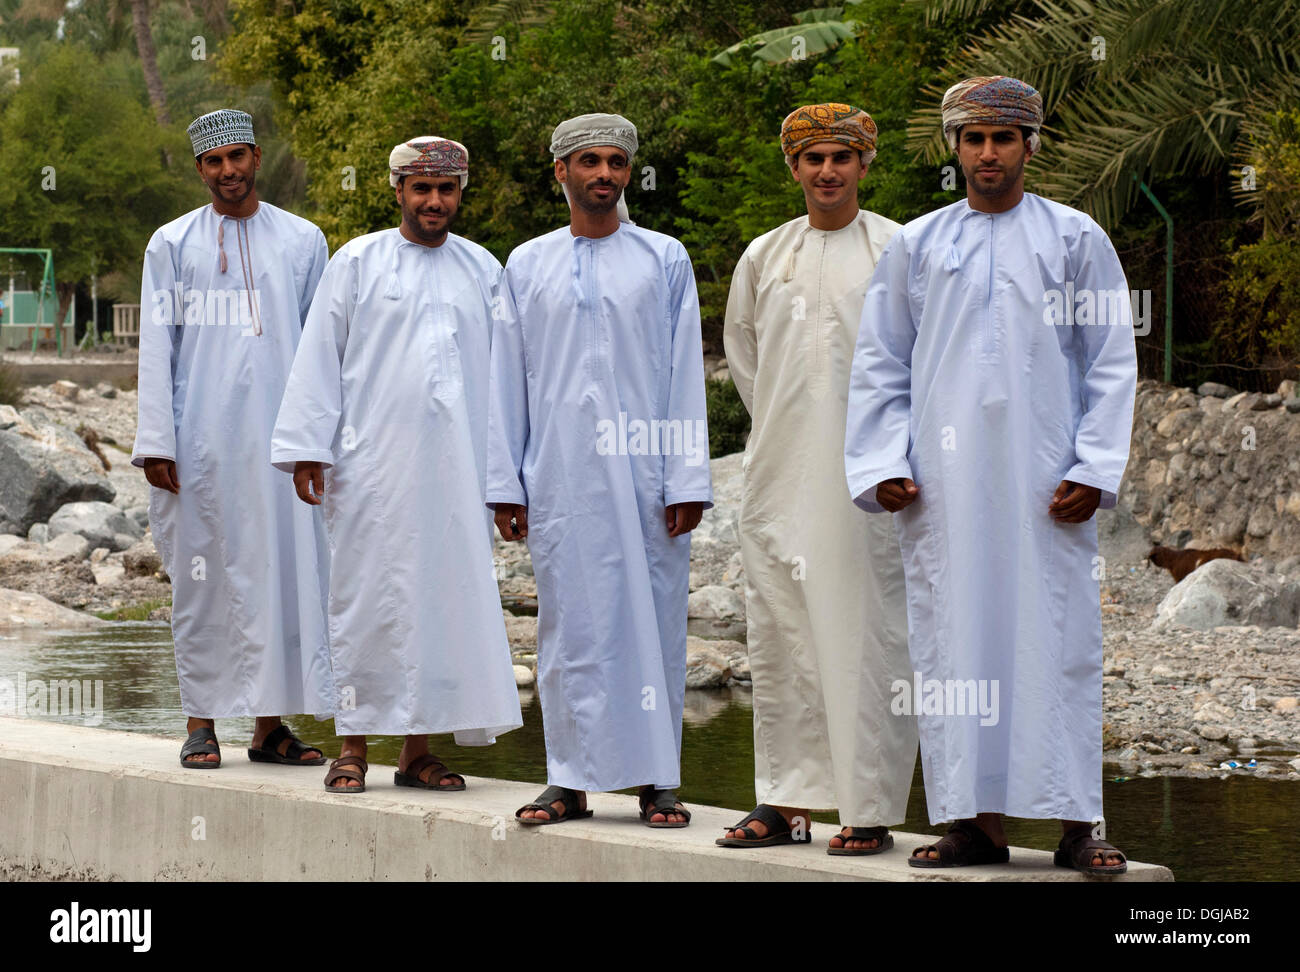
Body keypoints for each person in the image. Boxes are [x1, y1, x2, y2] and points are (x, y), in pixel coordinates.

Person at [844, 77, 1137, 873]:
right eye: (973, 139)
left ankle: (1081, 825)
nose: (987, 153)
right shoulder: (919, 244)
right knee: (954, 647)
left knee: (1059, 640)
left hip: (1048, 485)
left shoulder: (1076, 239)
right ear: (955, 147)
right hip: (944, 488)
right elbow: (880, 362)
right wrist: (882, 462)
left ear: (1029, 145)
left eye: (1003, 138)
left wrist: (1094, 464)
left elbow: (1111, 361)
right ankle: (976, 824)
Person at [270, 136, 522, 793]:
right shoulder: (357, 262)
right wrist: (306, 447)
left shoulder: (484, 271)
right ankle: (352, 745)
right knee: (363, 602)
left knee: (441, 603)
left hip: (457, 473)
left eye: (446, 189)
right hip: (369, 470)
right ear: (399, 191)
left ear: (461, 192)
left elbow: (505, 383)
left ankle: (417, 750)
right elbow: (319, 357)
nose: (434, 200)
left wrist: (506, 479)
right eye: (422, 188)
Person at [486, 113, 712, 827]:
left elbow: (683, 376)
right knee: (568, 630)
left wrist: (687, 478)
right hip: (559, 476)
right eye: (589, 162)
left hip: (646, 479)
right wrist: (504, 483)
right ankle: (568, 778)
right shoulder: (526, 264)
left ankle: (657, 781)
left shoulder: (663, 259)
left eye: (616, 162)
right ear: (561, 172)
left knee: (652, 623)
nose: (604, 175)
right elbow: (506, 382)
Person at [718, 104, 917, 855]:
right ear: (793, 169)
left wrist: (889, 453)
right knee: (781, 634)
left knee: (867, 639)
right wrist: (788, 426)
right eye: (812, 159)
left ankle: (865, 810)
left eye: (841, 157)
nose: (827, 170)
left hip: (870, 481)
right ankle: (786, 802)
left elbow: (918, 358)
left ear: (865, 165)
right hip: (778, 473)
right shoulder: (765, 256)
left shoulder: (899, 249)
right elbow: (747, 358)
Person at [132, 108, 333, 769]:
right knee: (204, 581)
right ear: (200, 170)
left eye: (238, 157)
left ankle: (270, 727)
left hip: (280, 450)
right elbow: (158, 347)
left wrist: (315, 441)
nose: (228, 171)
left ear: (257, 157)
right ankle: (200, 723)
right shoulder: (171, 244)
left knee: (279, 577)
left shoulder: (304, 241)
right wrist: (158, 439)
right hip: (203, 448)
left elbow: (321, 350)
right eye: (214, 162)